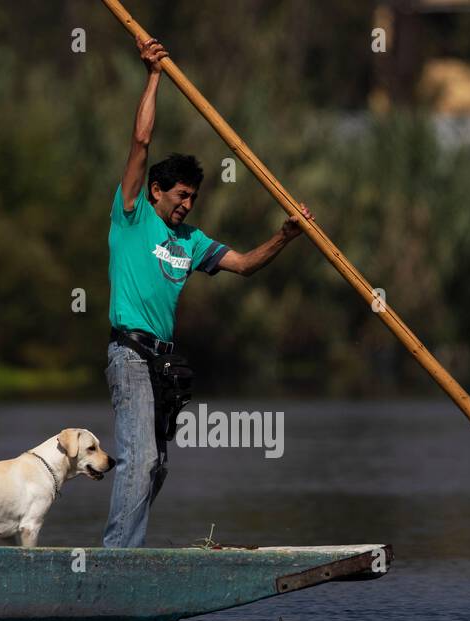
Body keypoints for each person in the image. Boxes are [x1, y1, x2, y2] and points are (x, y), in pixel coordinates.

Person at [103, 35, 313, 548]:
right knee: (141, 457)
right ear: (156, 191)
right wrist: (153, 75)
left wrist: (286, 236)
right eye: (180, 195)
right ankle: (115, 558)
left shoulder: (191, 242)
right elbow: (140, 143)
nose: (187, 205)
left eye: (194, 198)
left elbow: (243, 265)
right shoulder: (131, 217)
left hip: (162, 363)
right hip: (129, 354)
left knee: (159, 468)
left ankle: (123, 554)